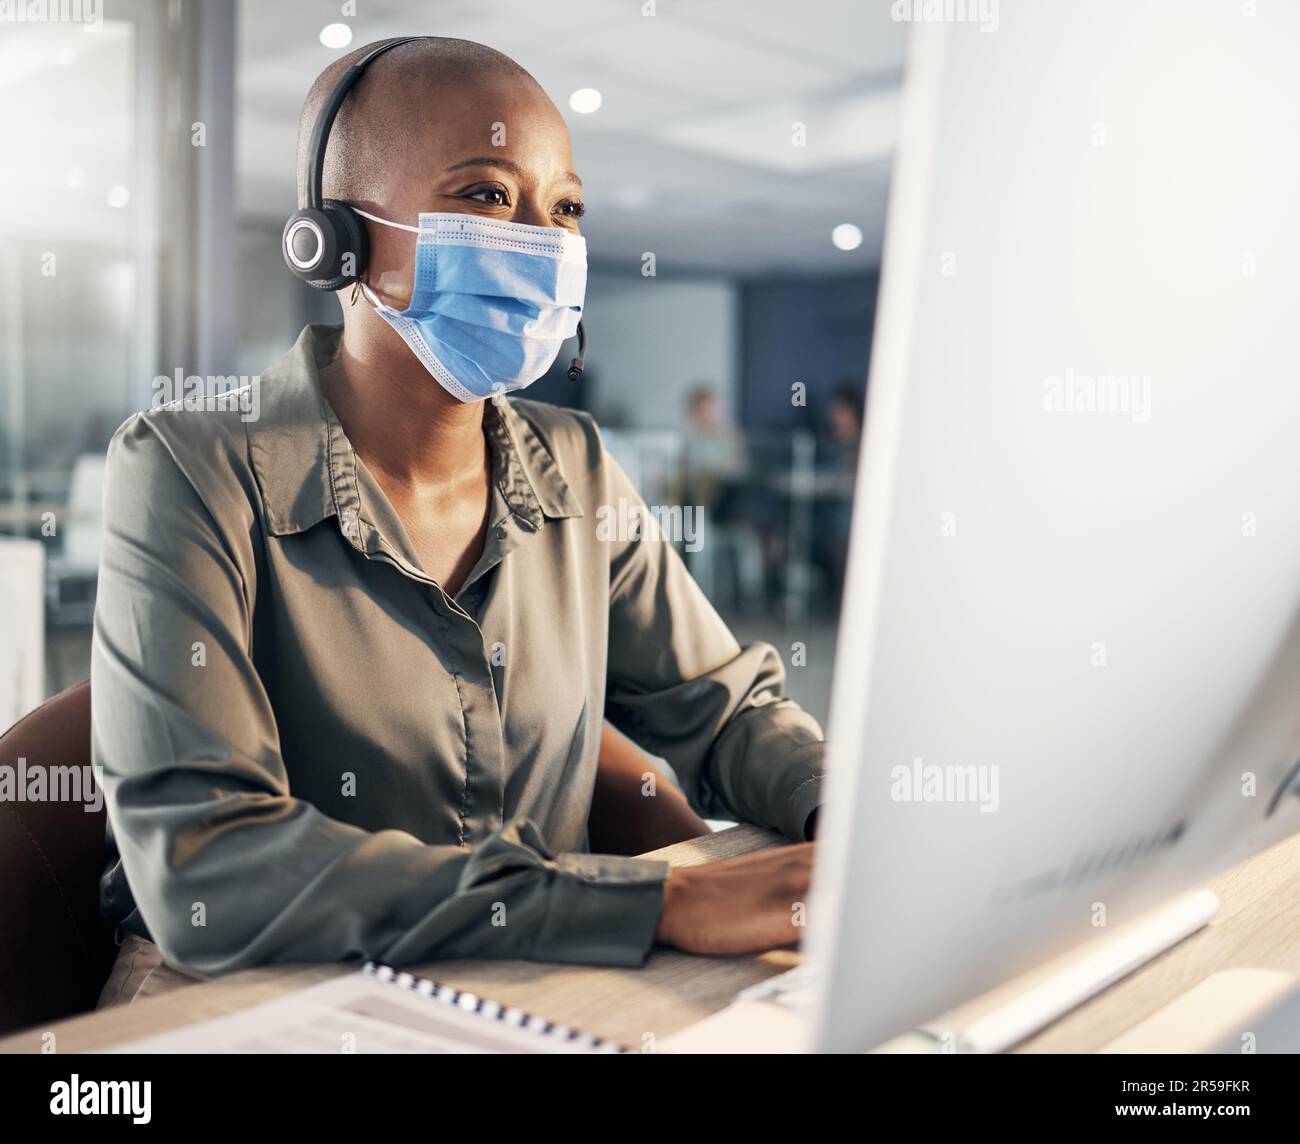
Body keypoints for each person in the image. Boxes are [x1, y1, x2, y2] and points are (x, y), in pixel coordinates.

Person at [93, 36, 823, 1004]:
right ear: (332, 241)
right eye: (486, 194)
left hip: (519, 983)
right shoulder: (189, 468)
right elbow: (205, 871)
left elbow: (726, 713)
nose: (545, 240)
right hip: (246, 992)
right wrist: (644, 903)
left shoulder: (574, 468)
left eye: (564, 209)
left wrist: (844, 814)